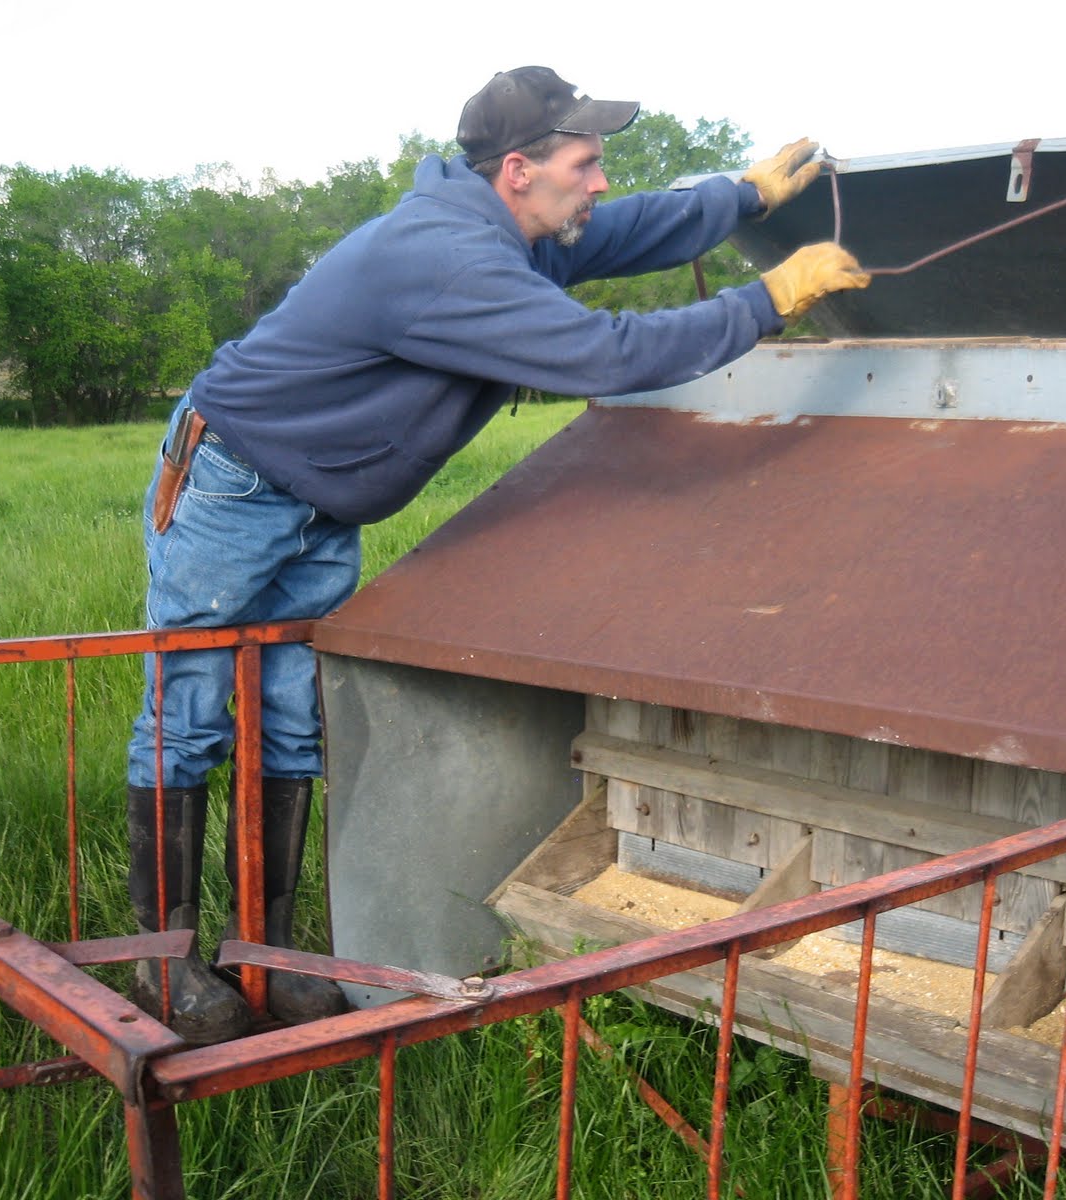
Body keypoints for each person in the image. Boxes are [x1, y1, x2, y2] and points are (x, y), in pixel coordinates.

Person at [125, 64, 871, 1044]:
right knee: (188, 712)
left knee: (290, 724)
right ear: (518, 169)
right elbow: (607, 354)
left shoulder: (508, 230)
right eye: (586, 163)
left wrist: (742, 197)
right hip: (234, 483)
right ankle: (163, 966)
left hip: (318, 505)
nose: (598, 183)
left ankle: (260, 956)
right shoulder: (447, 260)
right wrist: (766, 298)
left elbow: (630, 229)